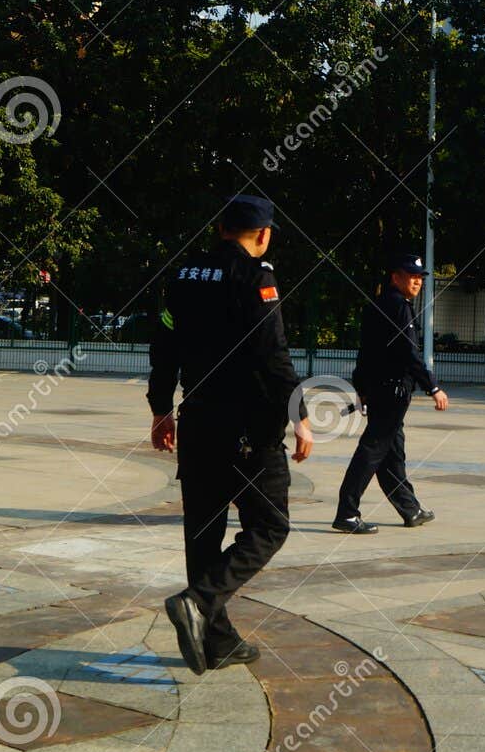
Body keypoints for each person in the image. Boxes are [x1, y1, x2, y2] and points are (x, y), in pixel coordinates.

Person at [147, 194, 313, 674]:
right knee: (270, 526)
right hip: (247, 430)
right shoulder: (255, 277)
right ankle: (199, 601)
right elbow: (272, 352)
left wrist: (161, 411)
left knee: (203, 535)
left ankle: (217, 640)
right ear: (263, 235)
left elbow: (165, 348)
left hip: (197, 423)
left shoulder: (182, 276)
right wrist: (298, 413)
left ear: (220, 228)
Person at [332, 253, 448, 534]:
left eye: (420, 277)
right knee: (372, 451)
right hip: (392, 391)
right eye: (412, 276)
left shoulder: (377, 304)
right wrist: (432, 386)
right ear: (395, 277)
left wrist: (361, 386)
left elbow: (366, 351)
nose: (417, 281)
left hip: (379, 389)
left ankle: (410, 509)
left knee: (391, 453)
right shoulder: (398, 307)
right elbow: (409, 352)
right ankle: (347, 513)